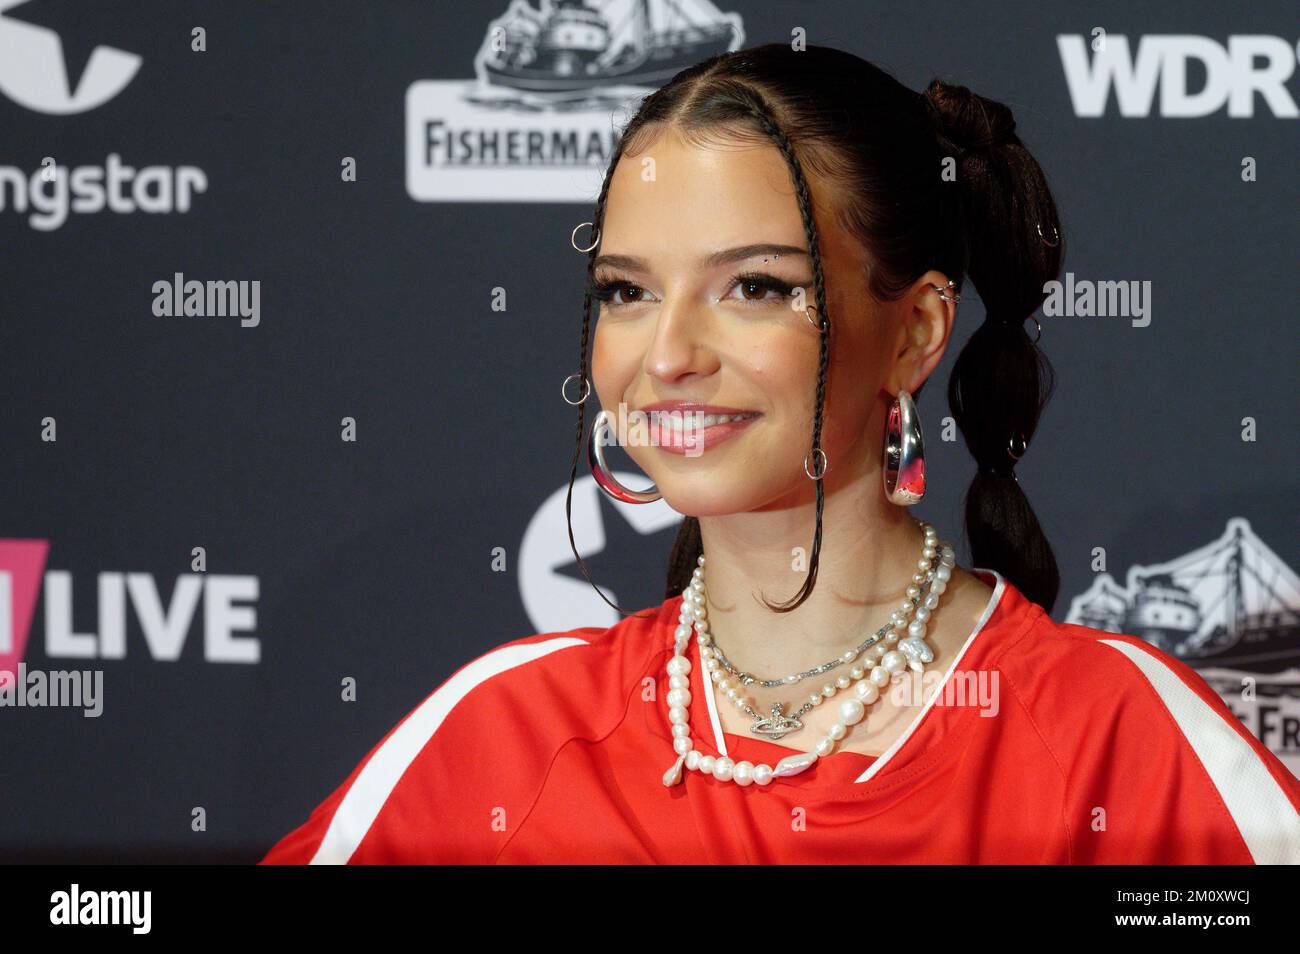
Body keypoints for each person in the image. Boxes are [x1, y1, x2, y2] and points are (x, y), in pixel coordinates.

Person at [260, 44, 1300, 864]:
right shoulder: (505, 730)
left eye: (754, 286)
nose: (666, 356)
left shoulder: (1114, 737)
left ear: (916, 331)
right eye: (625, 291)